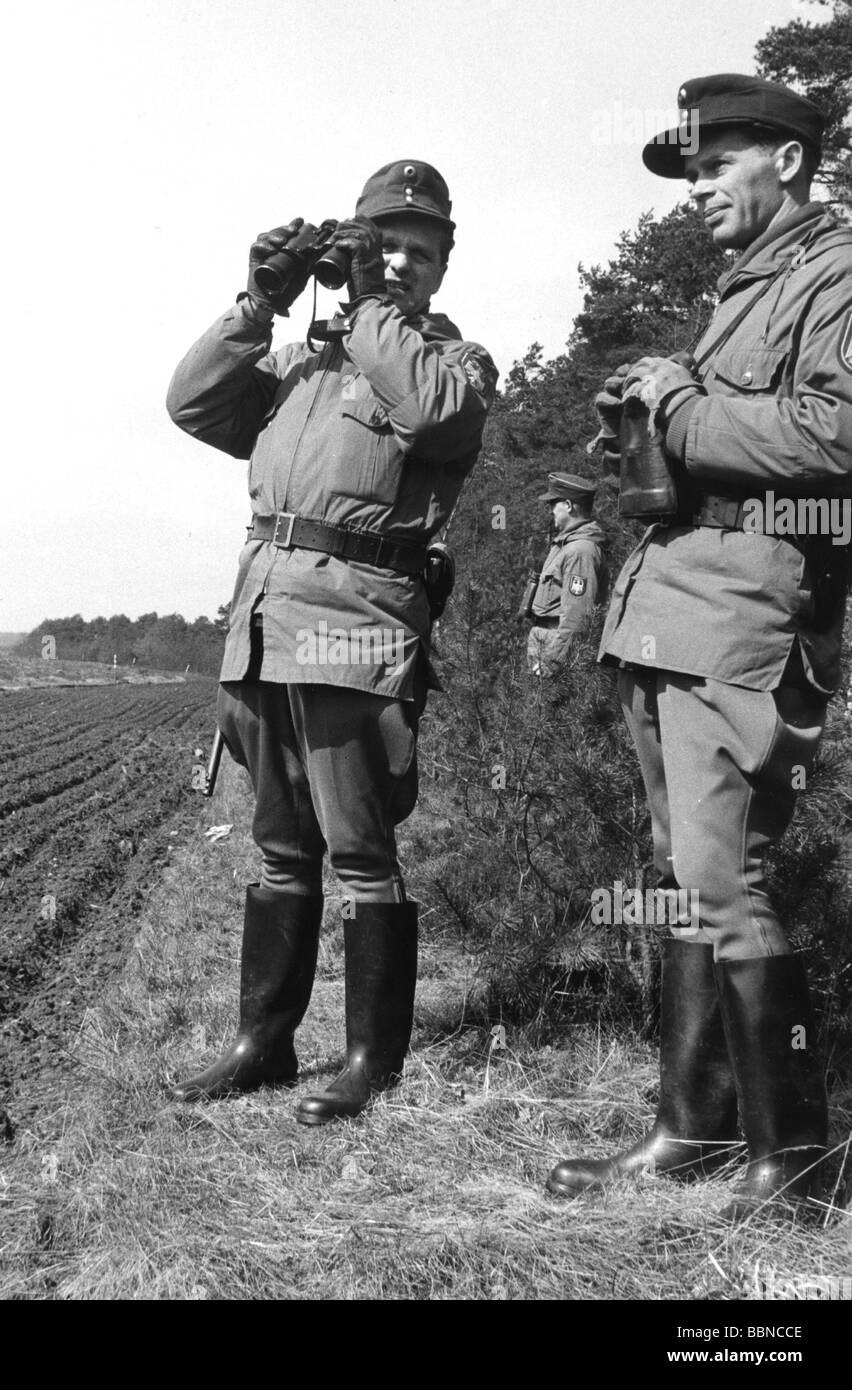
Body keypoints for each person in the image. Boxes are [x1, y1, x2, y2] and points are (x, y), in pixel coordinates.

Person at [547, 74, 852, 1220]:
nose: (698, 188)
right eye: (691, 170)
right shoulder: (749, 286)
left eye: (716, 161)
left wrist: (675, 404)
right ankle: (690, 1128)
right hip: (676, 602)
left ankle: (794, 1160)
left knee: (728, 878)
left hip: (745, 611)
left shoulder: (832, 270)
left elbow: (833, 437)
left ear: (785, 157)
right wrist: (647, 419)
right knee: (687, 877)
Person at [165, 161, 496, 1125]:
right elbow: (194, 405)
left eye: (417, 253)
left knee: (359, 846)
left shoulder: (451, 362)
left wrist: (364, 307)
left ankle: (366, 1062)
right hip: (264, 621)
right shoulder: (301, 370)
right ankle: (261, 1045)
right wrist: (256, 303)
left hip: (357, 628)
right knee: (276, 847)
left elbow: (435, 417)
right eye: (380, 242)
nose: (398, 261)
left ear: (439, 271)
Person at [526, 472, 607, 676]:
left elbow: (577, 616)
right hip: (547, 646)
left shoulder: (580, 551)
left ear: (569, 506)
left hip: (558, 658)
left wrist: (552, 663)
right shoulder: (566, 546)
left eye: (554, 504)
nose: (551, 510)